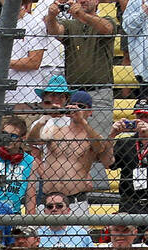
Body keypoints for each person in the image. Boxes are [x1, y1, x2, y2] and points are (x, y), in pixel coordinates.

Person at [47, 0, 119, 144]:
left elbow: (107, 28)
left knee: (98, 144)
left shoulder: (106, 20)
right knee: (72, 144)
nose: (83, 0)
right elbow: (55, 31)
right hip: (73, 94)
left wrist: (81, 15)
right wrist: (51, 16)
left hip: (99, 93)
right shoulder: (70, 25)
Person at [30, 90, 114, 211]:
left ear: (90, 112)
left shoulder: (92, 136)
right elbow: (32, 141)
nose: (76, 109)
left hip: (76, 201)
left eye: (81, 107)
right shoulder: (55, 131)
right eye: (73, 106)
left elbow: (99, 147)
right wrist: (44, 119)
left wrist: (82, 121)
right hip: (49, 200)